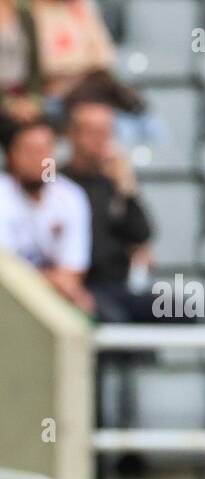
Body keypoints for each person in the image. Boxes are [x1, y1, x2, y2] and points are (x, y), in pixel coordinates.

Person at [62, 99, 154, 324]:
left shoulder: (114, 183)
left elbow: (142, 234)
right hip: (81, 287)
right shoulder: (59, 184)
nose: (101, 139)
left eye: (107, 131)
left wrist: (127, 189)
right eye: (93, 132)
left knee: (181, 310)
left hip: (119, 286)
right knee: (112, 316)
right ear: (73, 135)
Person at [0, 116, 93, 313]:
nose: (38, 159)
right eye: (29, 151)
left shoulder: (70, 196)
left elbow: (73, 270)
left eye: (44, 150)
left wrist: (58, 284)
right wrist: (55, 281)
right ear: (11, 156)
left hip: (57, 297)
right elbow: (6, 278)